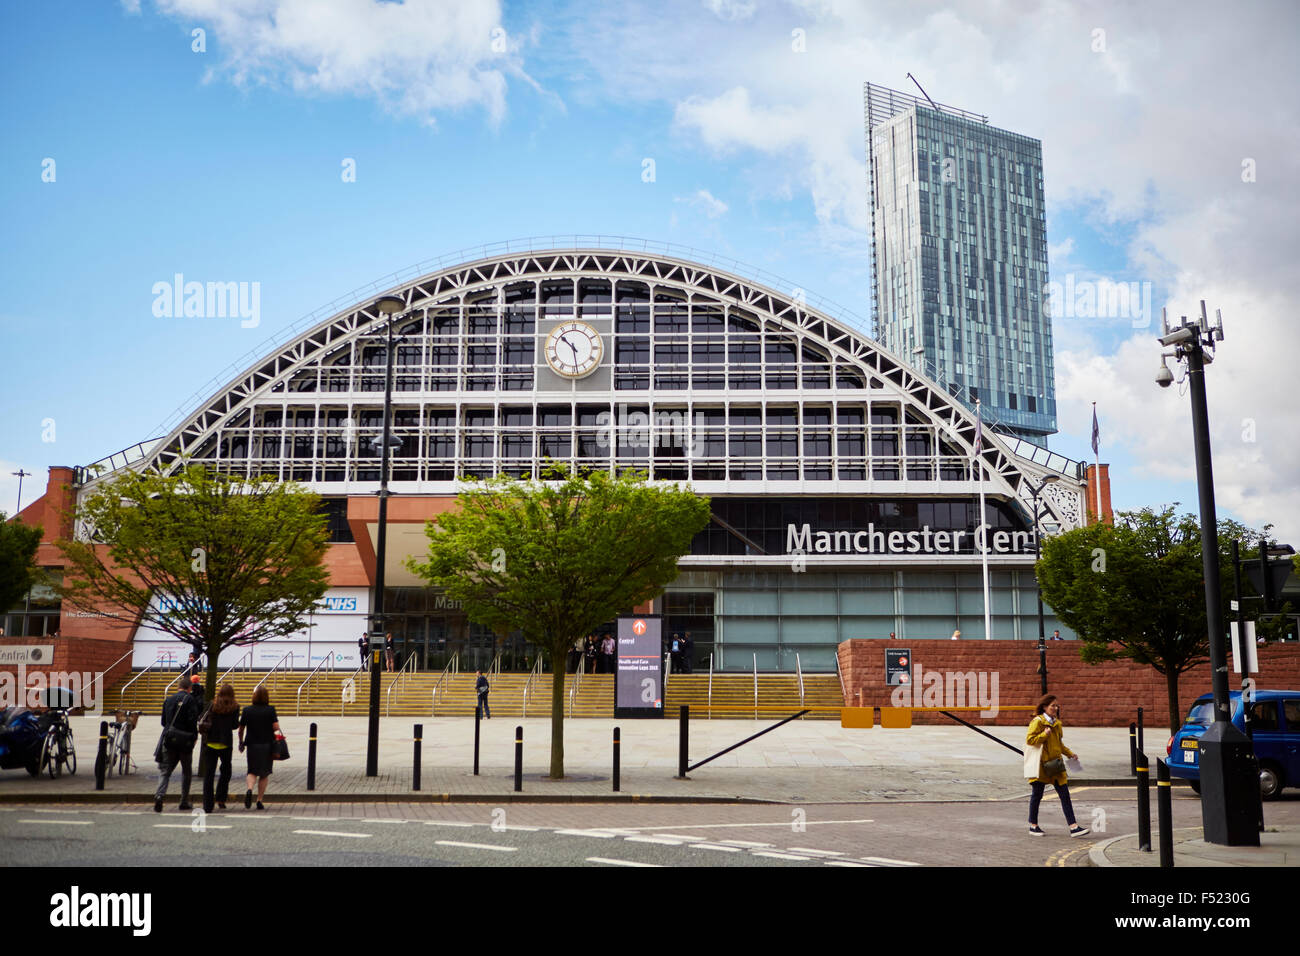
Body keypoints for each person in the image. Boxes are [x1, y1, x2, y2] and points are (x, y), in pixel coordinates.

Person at [1025, 694, 1089, 837]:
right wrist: (1044, 734)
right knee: (1037, 795)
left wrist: (1070, 754)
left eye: (1056, 705)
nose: (1055, 708)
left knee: (1065, 795)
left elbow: (1059, 744)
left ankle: (1073, 827)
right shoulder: (1038, 722)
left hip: (1056, 765)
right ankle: (1033, 825)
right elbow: (1030, 740)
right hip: (1042, 766)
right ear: (1044, 707)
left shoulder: (1057, 724)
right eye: (1052, 705)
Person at [155, 677, 201, 813]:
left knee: (165, 770)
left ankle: (159, 795)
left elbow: (164, 722)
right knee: (186, 772)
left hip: (170, 739)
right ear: (189, 688)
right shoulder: (190, 700)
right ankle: (183, 801)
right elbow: (192, 721)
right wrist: (194, 736)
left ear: (178, 687)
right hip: (185, 740)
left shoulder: (168, 700)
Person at [238, 685, 281, 811]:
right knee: (264, 773)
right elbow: (276, 727)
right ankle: (259, 800)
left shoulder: (247, 710)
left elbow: (241, 729)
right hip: (267, 744)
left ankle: (249, 789)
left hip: (252, 744)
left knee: (251, 771)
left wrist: (241, 742)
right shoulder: (270, 710)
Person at [201, 683, 240, 812]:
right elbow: (235, 726)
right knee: (226, 772)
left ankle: (207, 804)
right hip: (225, 744)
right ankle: (221, 798)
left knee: (209, 774)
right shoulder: (235, 707)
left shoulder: (213, 704)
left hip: (211, 742)